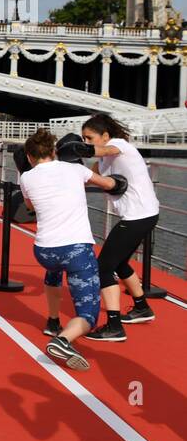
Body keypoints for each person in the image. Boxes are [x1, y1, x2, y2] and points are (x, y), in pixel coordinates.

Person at [16, 129, 123, 370]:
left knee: (54, 271)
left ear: (30, 157)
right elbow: (108, 183)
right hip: (76, 250)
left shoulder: (26, 178)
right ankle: (63, 340)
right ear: (53, 152)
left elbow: (30, 206)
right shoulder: (75, 169)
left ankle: (53, 321)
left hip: (45, 251)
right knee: (88, 315)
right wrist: (120, 182)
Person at [64, 116, 161, 341]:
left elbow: (104, 152)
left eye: (90, 138)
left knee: (103, 268)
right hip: (142, 215)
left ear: (105, 136)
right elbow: (90, 178)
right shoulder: (104, 161)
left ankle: (114, 326)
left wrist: (78, 148)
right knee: (119, 263)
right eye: (83, 138)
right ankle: (142, 308)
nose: (86, 141)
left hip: (138, 217)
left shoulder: (120, 146)